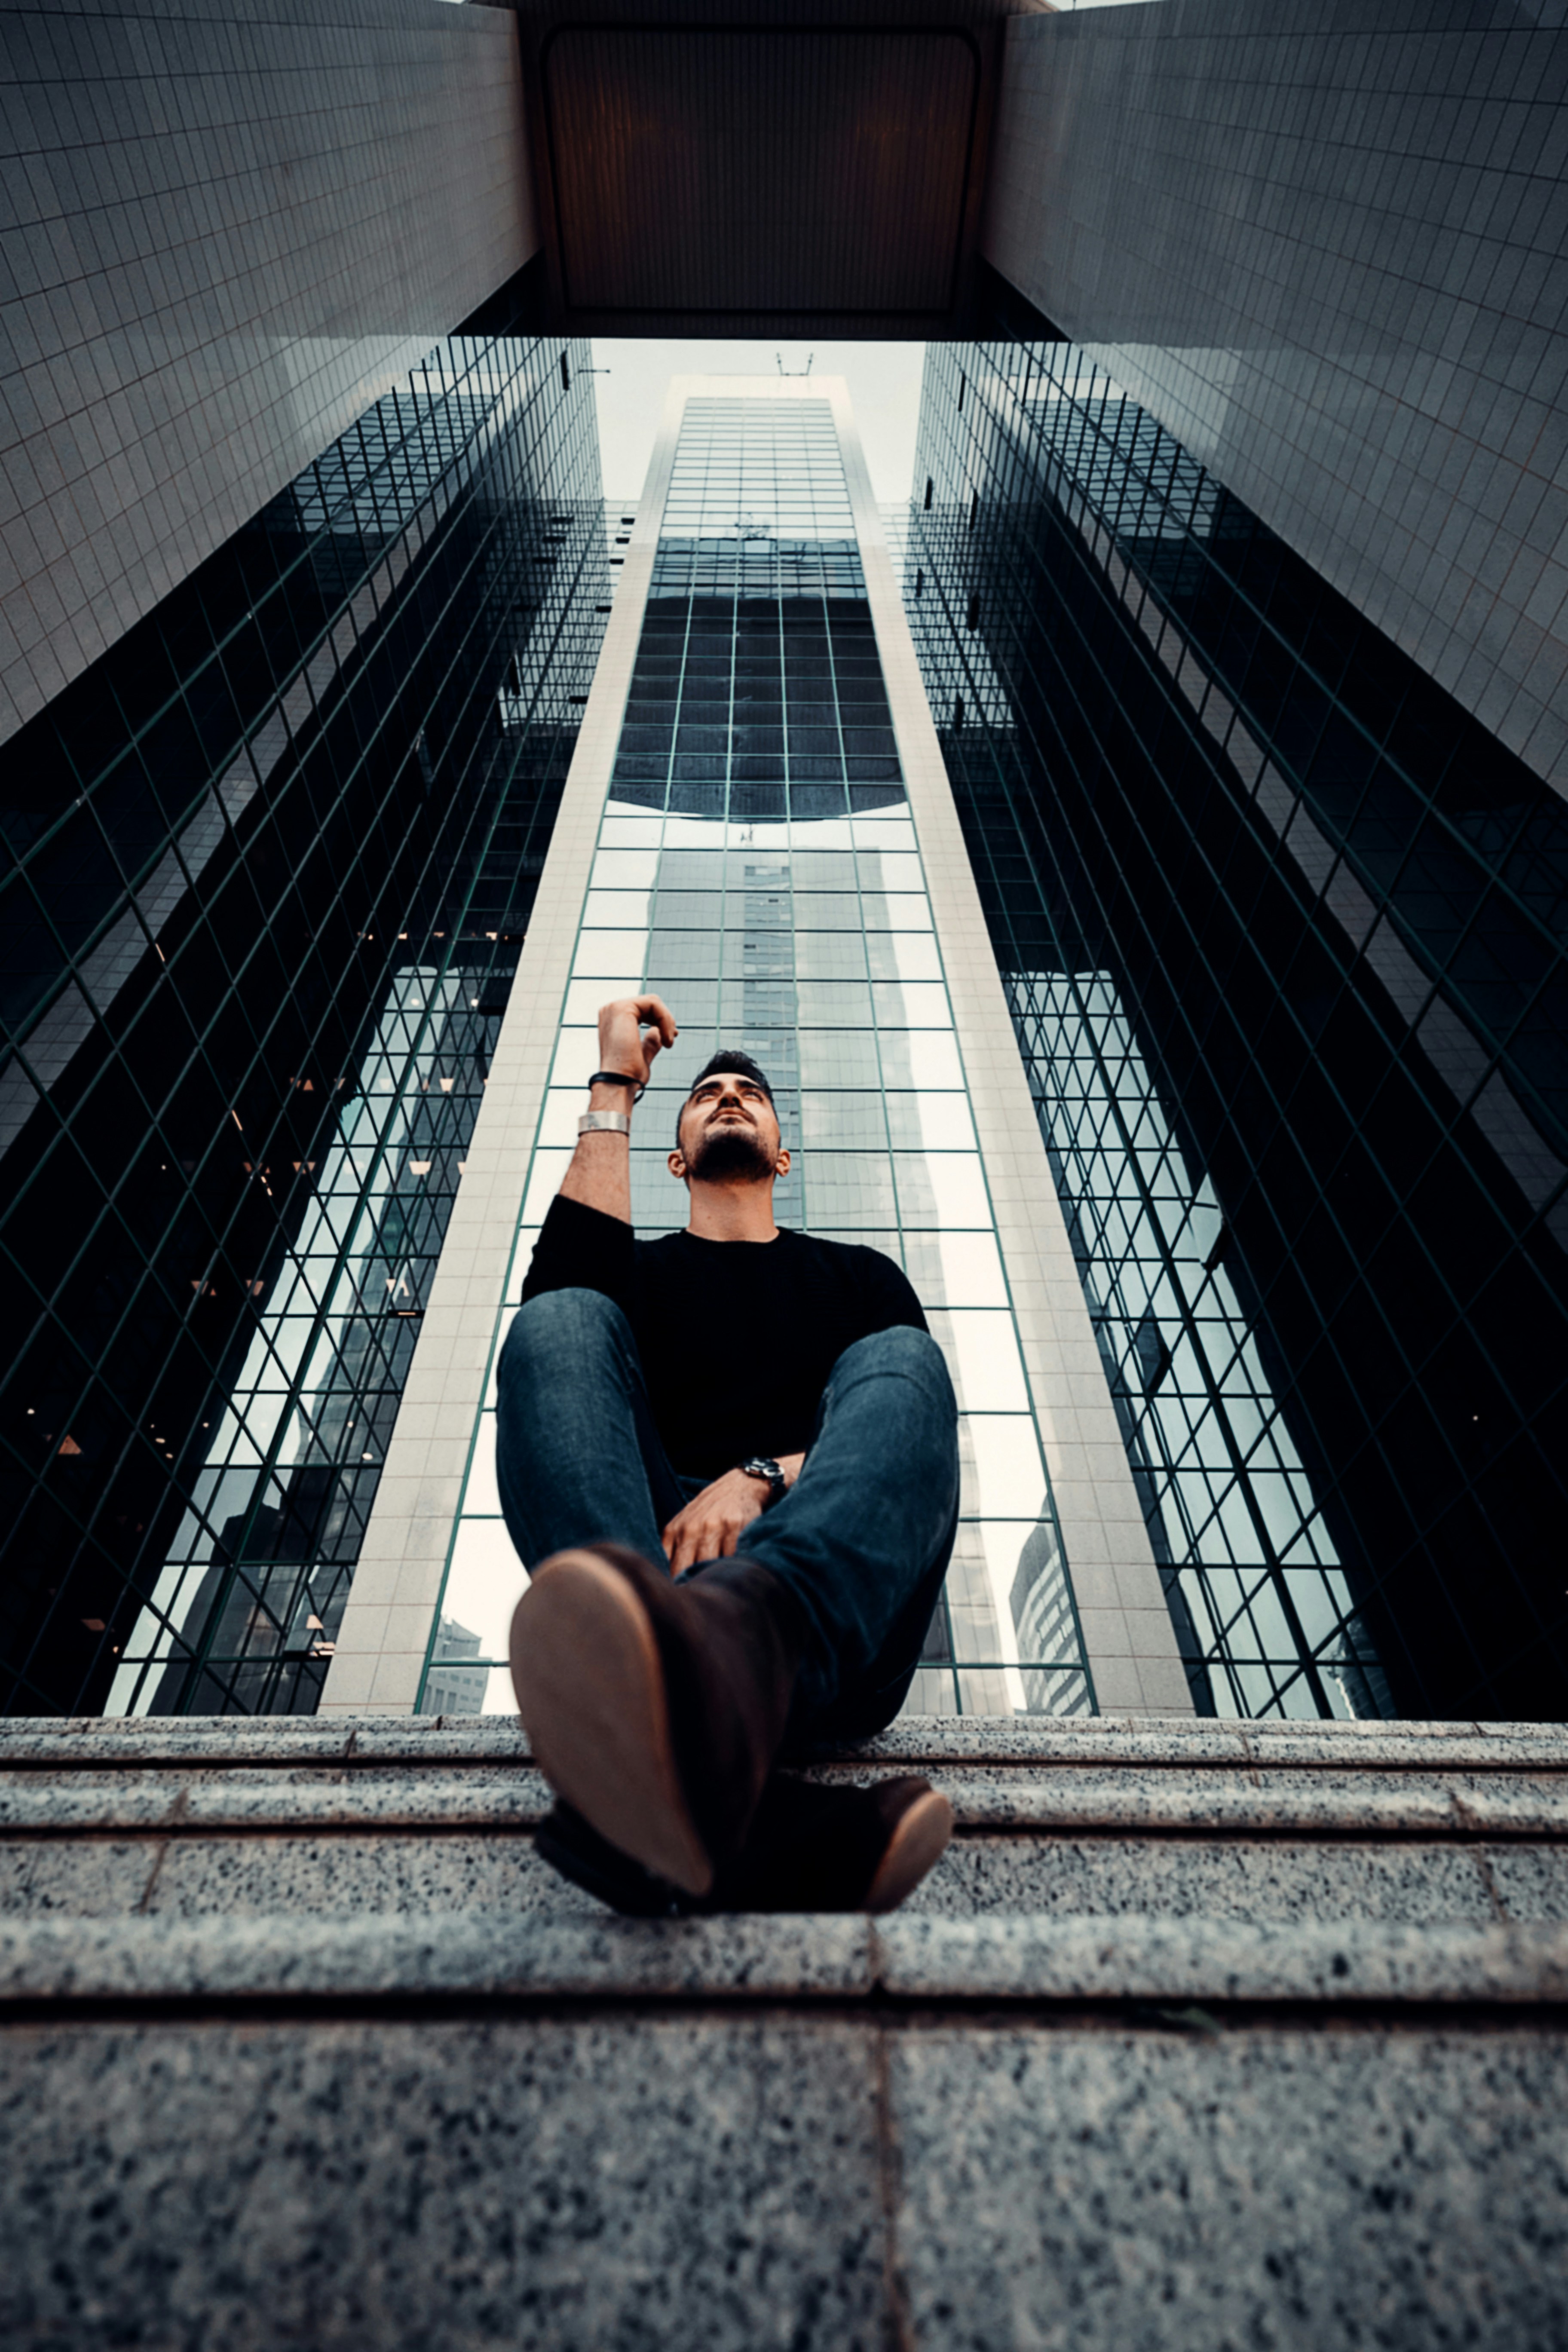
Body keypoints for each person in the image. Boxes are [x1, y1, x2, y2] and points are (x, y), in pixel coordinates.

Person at [499, 992, 960, 1914]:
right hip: (656, 1570)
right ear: (674, 1158)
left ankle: (710, 1665)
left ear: (783, 1155)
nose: (728, 1095)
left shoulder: (861, 1277)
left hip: (829, 1617)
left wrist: (757, 1478)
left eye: (747, 1091)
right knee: (561, 1319)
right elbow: (552, 1331)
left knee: (905, 1359)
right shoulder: (637, 1280)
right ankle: (708, 1772)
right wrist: (616, 1084)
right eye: (707, 1091)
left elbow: (903, 1446)